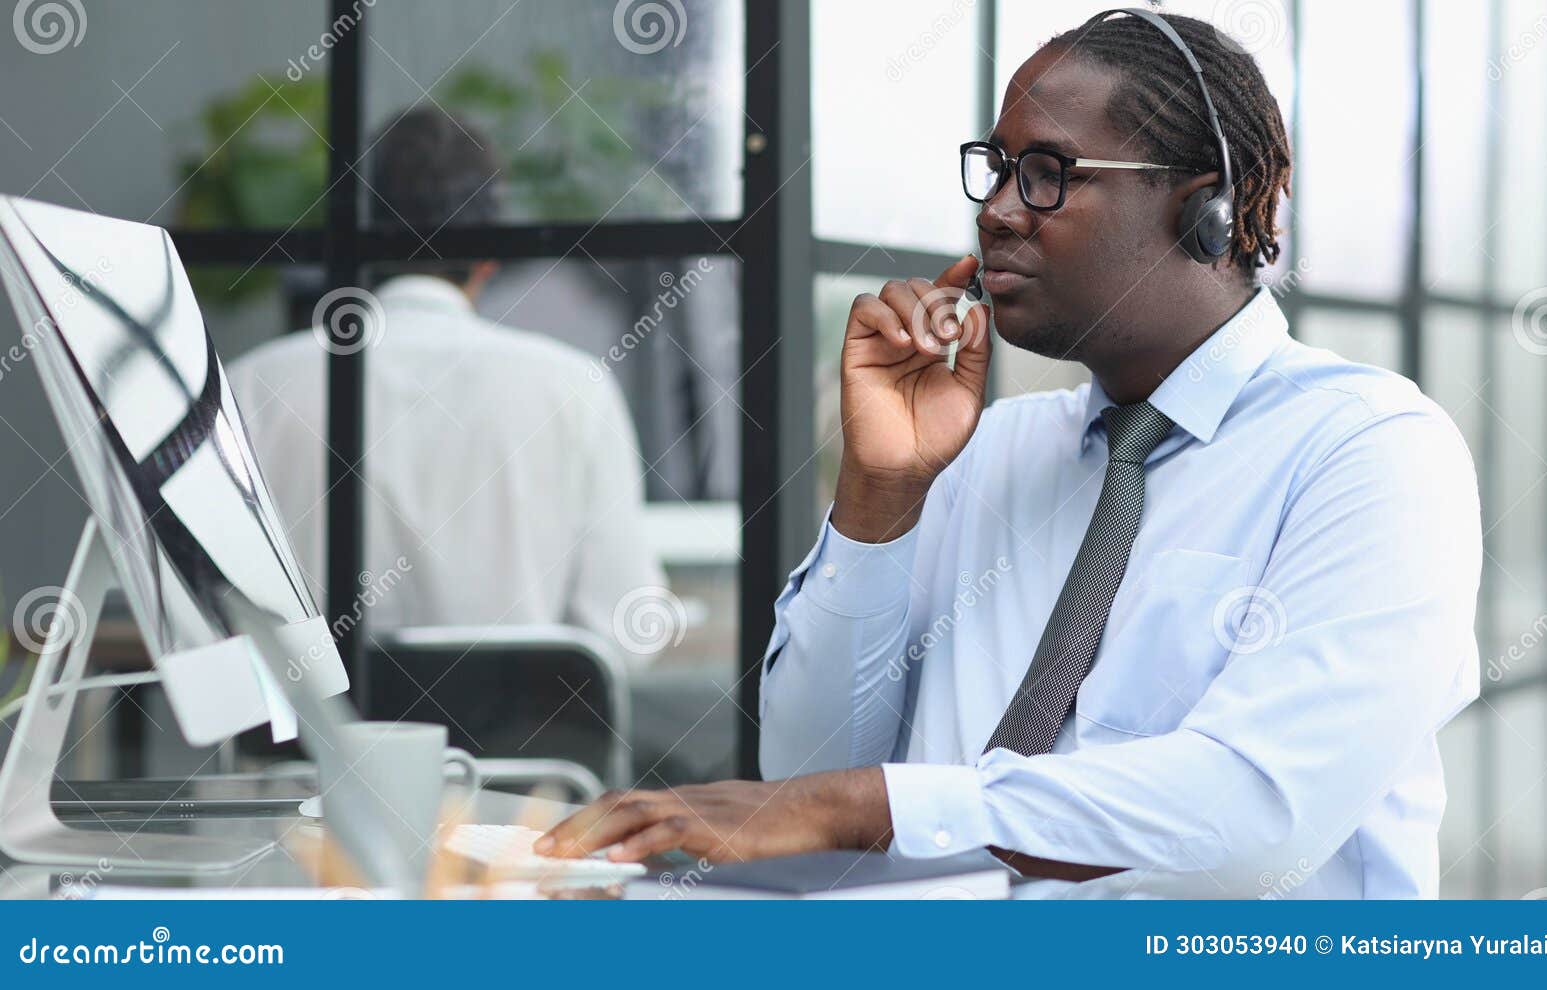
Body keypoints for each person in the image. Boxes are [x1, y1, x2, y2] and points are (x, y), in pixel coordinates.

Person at [535, 10, 1481, 897]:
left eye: (1047, 172)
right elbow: (803, 774)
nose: (996, 211)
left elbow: (1257, 817)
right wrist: (879, 498)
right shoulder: (989, 453)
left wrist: (863, 805)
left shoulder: (1369, 456)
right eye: (994, 168)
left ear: (1205, 212)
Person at [229, 107, 665, 660]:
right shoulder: (576, 389)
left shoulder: (250, 387)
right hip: (521, 745)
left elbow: (215, 630)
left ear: (355, 237)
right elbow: (625, 635)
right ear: (490, 257)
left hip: (308, 744)